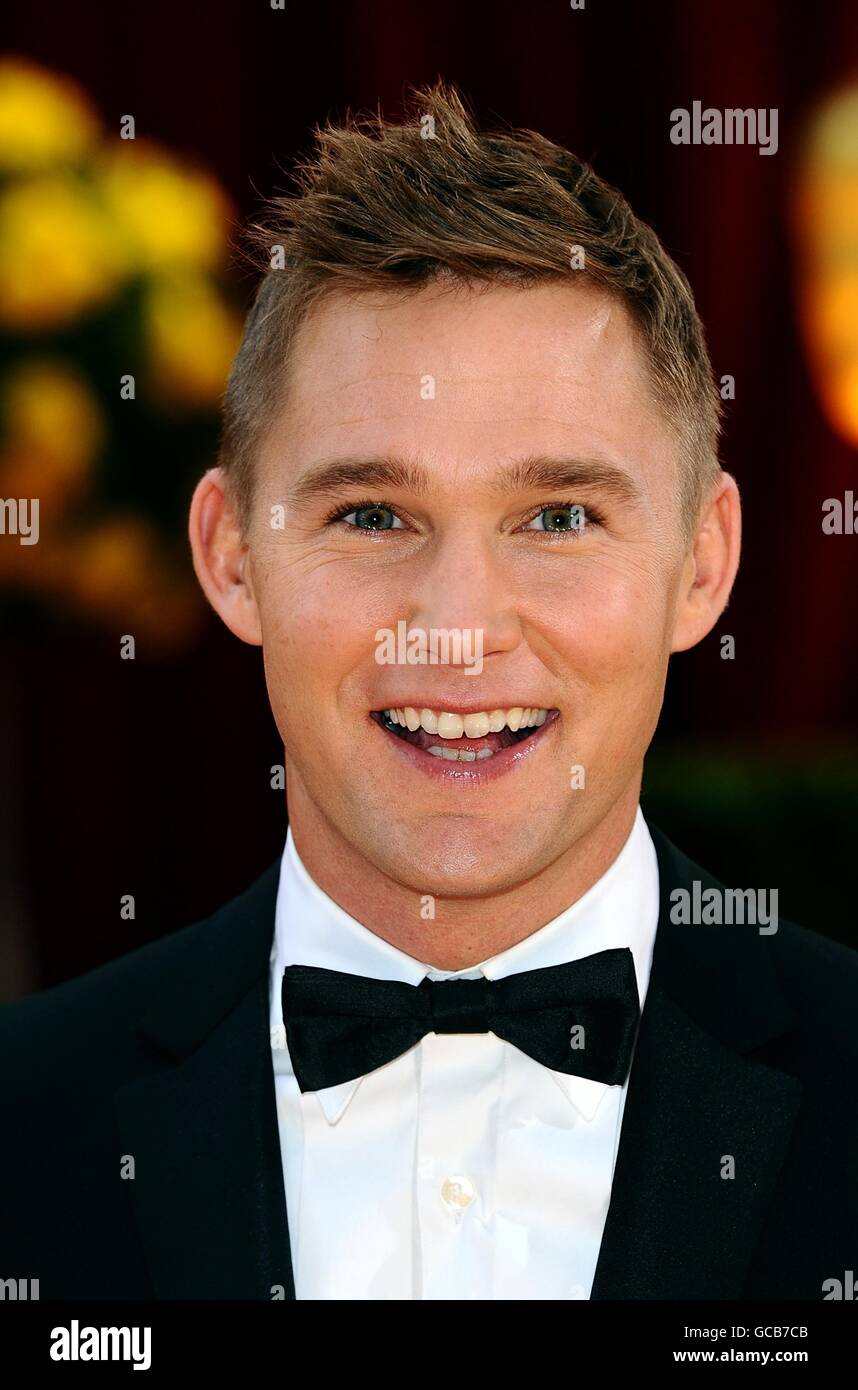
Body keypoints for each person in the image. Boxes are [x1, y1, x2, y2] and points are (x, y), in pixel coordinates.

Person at [1, 83, 855, 1301]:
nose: (458, 631)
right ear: (232, 557)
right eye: (372, 514)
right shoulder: (25, 1120)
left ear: (702, 565)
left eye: (558, 517)